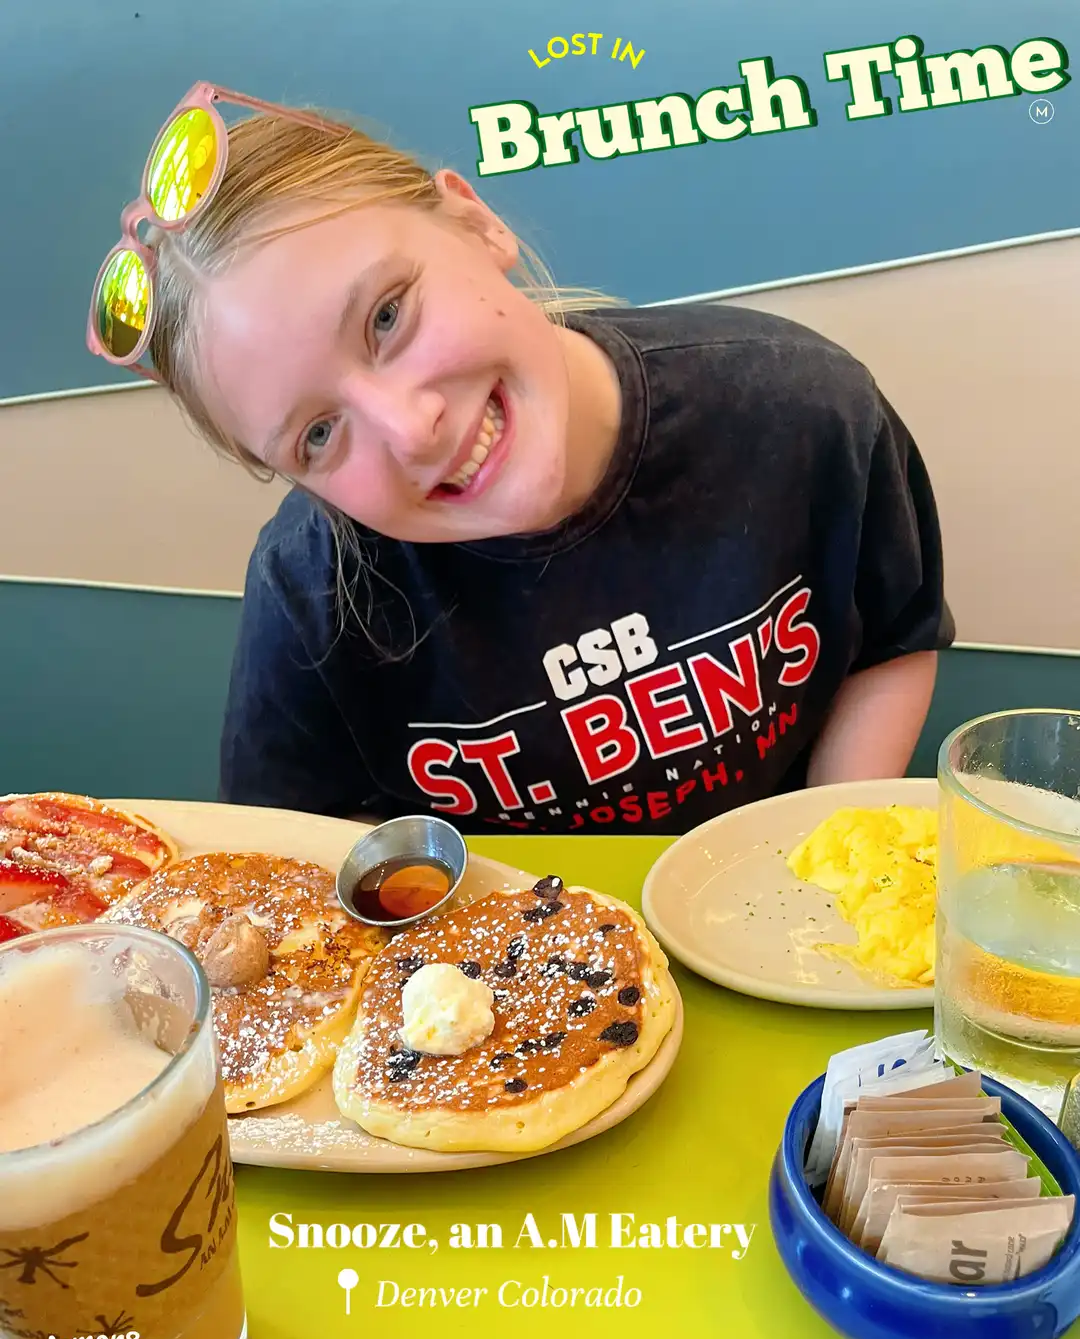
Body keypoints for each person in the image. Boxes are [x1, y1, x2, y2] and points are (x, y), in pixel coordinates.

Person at [90, 88, 954, 835]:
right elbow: (298, 847)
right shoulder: (308, 591)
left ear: (474, 222)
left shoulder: (800, 405)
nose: (410, 428)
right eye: (317, 434)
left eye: (387, 316)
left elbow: (892, 635)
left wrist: (835, 855)